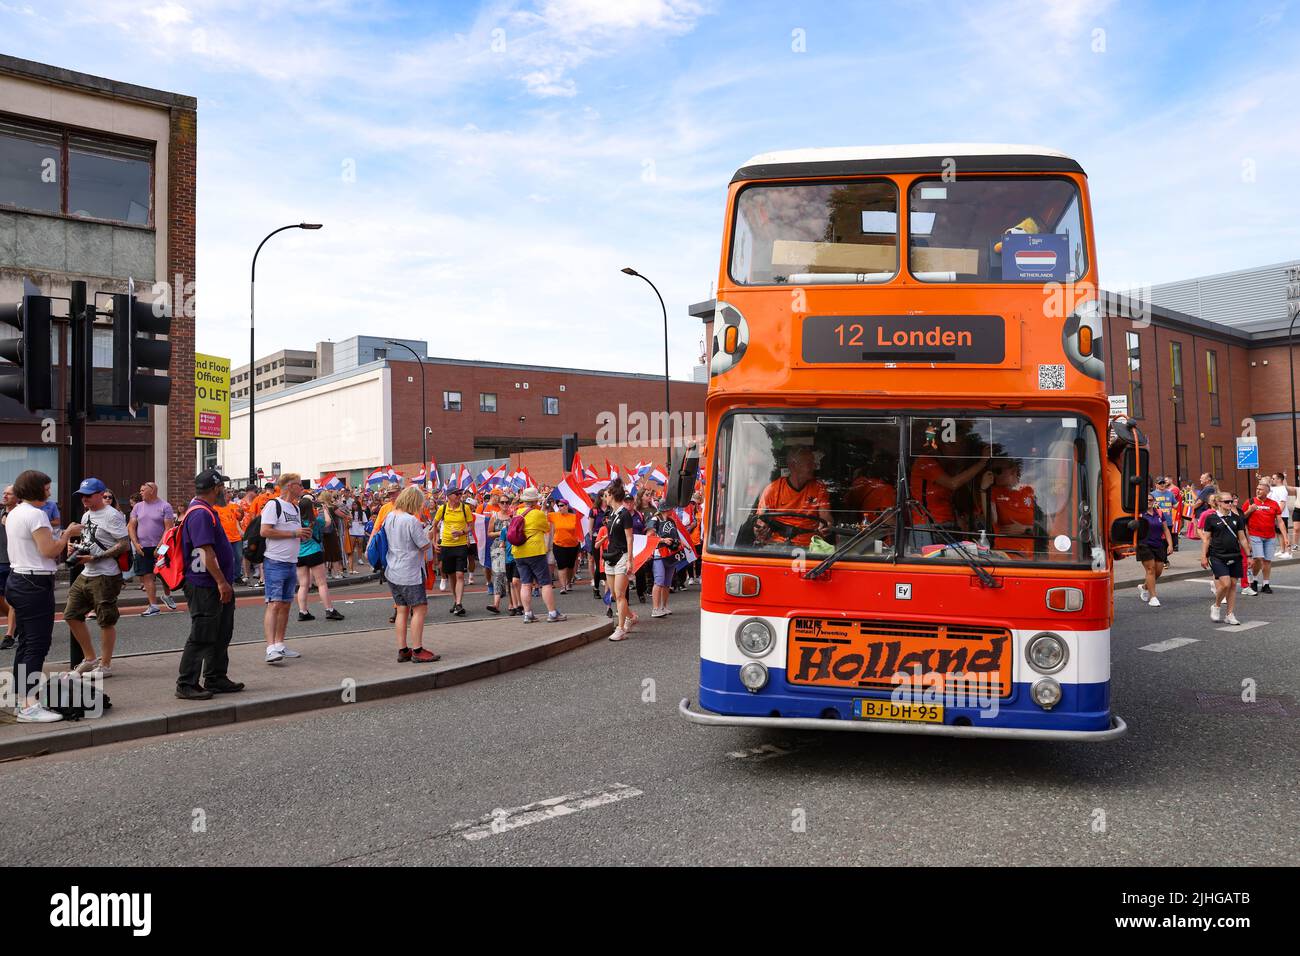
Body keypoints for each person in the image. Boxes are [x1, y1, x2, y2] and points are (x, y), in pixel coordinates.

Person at [6, 469, 82, 722]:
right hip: (34, 583)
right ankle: (29, 707)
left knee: (26, 643)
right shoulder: (37, 515)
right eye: (47, 488)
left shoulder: (14, 513)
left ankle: (21, 701)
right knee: (37, 645)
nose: (50, 492)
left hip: (17, 579)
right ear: (36, 489)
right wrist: (67, 534)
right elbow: (49, 551)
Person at [176, 470, 244, 700]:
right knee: (203, 633)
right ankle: (186, 683)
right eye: (221, 487)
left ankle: (215, 677)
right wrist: (221, 582)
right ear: (216, 488)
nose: (224, 491)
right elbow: (205, 550)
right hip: (206, 584)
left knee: (222, 632)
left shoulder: (204, 511)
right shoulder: (200, 514)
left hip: (213, 583)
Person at [63, 477, 131, 678]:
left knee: (105, 620)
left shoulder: (113, 515)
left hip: (106, 574)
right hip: (87, 572)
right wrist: (74, 548)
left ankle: (106, 665)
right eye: (82, 495)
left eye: (89, 495)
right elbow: (89, 540)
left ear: (101, 495)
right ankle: (90, 659)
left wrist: (96, 556)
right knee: (71, 614)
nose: (84, 499)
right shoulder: (86, 516)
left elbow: (123, 544)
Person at [384, 486, 440, 663]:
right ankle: (417, 649)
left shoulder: (390, 516)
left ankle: (403, 649)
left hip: (393, 569)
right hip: (409, 571)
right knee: (419, 609)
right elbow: (423, 545)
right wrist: (429, 534)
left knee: (401, 609)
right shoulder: (410, 520)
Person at [260, 473, 311, 664]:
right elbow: (264, 531)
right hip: (275, 561)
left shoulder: (295, 508)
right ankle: (270, 647)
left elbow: (293, 532)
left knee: (286, 604)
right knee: (274, 604)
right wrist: (293, 533)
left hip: (291, 561)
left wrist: (301, 535)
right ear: (289, 486)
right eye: (300, 485)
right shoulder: (274, 505)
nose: (302, 488)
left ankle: (280, 644)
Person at [908, 431, 990, 547]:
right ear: (939, 444)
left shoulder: (949, 465)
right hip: (927, 527)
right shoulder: (925, 461)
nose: (958, 448)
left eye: (961, 445)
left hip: (948, 526)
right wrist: (981, 463)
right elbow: (953, 483)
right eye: (952, 444)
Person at [754, 445, 833, 548]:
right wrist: (760, 530)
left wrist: (826, 525)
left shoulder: (819, 488)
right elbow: (759, 522)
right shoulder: (772, 489)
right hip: (776, 545)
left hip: (809, 546)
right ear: (793, 466)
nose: (814, 467)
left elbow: (826, 518)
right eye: (809, 463)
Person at [513, 486, 566, 623]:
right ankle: (552, 613)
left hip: (519, 552)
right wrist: (542, 512)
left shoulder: (517, 512)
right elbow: (546, 528)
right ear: (535, 500)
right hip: (535, 551)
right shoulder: (538, 514)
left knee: (525, 583)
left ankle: (528, 614)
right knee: (545, 583)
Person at [129, 481, 177, 616]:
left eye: (143, 490)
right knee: (147, 576)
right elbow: (131, 526)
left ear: (152, 491)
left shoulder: (165, 506)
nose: (140, 492)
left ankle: (167, 595)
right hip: (143, 547)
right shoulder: (137, 507)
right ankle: (153, 606)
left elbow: (169, 529)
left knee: (164, 574)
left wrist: (160, 547)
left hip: (162, 547)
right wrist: (135, 543)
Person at [1201, 490, 1249, 626]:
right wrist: (1203, 556)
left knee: (1233, 585)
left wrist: (1249, 555)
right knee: (1226, 584)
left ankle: (1229, 614)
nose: (1230, 503)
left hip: (1235, 555)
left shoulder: (1237, 518)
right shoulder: (1211, 518)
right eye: (1226, 501)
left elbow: (1243, 538)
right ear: (1218, 503)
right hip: (1217, 556)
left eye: (1231, 501)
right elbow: (1206, 539)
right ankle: (1216, 606)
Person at [294, 494, 344, 622]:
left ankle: (302, 611)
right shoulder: (315, 521)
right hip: (314, 552)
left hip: (299, 554)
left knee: (303, 585)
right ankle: (329, 610)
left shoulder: (296, 524)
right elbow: (328, 523)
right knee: (321, 583)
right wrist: (326, 510)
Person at [981, 459, 1037, 556]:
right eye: (992, 471)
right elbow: (992, 520)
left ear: (1013, 471)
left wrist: (1025, 529)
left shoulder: (1029, 491)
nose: (994, 475)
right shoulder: (993, 492)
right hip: (1005, 555)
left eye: (998, 471)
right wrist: (983, 490)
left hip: (1032, 556)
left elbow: (1048, 529)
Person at [433, 486, 474, 616]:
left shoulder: (465, 508)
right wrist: (435, 542)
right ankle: (455, 600)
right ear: (449, 495)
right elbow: (434, 525)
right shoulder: (442, 508)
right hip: (446, 545)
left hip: (461, 545)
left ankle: (458, 604)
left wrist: (462, 532)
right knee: (451, 575)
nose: (459, 496)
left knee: (460, 575)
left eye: (460, 493)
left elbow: (470, 526)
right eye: (456, 494)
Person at [603, 484, 636, 640]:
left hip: (622, 556)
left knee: (620, 594)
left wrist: (630, 559)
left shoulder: (625, 514)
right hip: (610, 556)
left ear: (613, 495)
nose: (605, 497)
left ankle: (620, 628)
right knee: (615, 594)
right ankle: (631, 616)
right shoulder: (612, 513)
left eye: (607, 495)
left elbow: (630, 537)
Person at [1243, 478, 1287, 594]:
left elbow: (1280, 521)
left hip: (1270, 536)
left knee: (1267, 560)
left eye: (1261, 489)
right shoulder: (1250, 502)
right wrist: (1249, 510)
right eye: (1257, 489)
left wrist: (1286, 537)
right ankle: (1254, 580)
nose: (1258, 491)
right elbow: (1241, 518)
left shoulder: (1273, 504)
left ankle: (1266, 584)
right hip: (1254, 535)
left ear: (1267, 491)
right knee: (1258, 558)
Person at [1135, 492, 1174, 608]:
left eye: (1151, 500)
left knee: (1158, 571)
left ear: (1154, 501)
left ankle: (1144, 587)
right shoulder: (1139, 514)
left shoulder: (1159, 513)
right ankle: (1153, 597)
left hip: (1158, 544)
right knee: (1150, 569)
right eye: (1146, 500)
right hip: (1144, 545)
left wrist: (1170, 545)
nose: (1148, 502)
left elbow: (1166, 530)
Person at [649, 499, 681, 618]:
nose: (673, 510)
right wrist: (663, 540)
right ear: (666, 509)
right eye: (671, 508)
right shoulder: (655, 520)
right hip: (659, 553)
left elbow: (675, 535)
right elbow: (649, 536)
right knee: (659, 581)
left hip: (670, 554)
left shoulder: (671, 521)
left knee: (667, 582)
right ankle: (655, 608)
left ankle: (664, 606)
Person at [548, 497, 582, 593]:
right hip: (558, 544)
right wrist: (544, 504)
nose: (560, 507)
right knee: (561, 566)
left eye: (562, 505)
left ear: (567, 506)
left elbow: (581, 527)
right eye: (558, 506)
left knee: (570, 566)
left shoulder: (574, 517)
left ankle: (569, 582)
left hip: (573, 545)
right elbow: (542, 514)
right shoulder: (554, 515)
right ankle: (563, 587)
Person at [214, 490, 246, 585]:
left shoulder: (234, 506)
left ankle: (237, 576)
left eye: (229, 493)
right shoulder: (216, 507)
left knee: (238, 557)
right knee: (227, 558)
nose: (229, 495)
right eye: (227, 493)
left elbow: (239, 518)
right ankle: (226, 577)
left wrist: (242, 513)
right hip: (224, 537)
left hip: (236, 537)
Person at [0, 485, 14, 650]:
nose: (5, 496)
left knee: (12, 599)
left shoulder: (19, 514)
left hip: (13, 562)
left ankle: (10, 634)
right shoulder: (1, 513)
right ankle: (17, 623)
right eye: (4, 493)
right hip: (0, 560)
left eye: (9, 494)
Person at [1150, 476, 1180, 553]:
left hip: (1168, 521)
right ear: (1156, 484)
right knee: (1159, 540)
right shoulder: (1152, 495)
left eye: (1163, 483)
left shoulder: (1170, 494)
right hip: (1157, 521)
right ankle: (1163, 559)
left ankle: (1164, 558)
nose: (1162, 484)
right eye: (1160, 483)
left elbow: (1175, 506)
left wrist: (1181, 499)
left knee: (1167, 542)